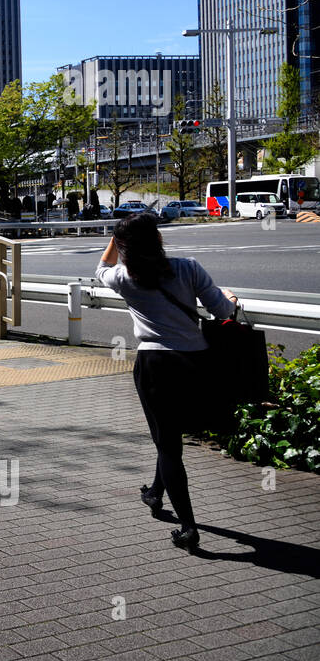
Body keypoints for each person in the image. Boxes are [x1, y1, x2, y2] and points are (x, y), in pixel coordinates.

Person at [95, 212, 238, 551]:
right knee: (171, 439)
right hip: (196, 362)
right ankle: (155, 493)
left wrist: (116, 239)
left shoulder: (124, 277)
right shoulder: (189, 267)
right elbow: (223, 312)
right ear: (159, 239)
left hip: (155, 364)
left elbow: (99, 270)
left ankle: (188, 527)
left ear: (123, 246)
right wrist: (229, 299)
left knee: (168, 444)